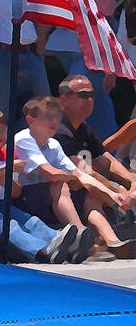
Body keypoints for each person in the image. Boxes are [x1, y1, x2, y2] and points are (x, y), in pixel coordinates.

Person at [0, 109, 87, 264]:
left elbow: (15, 192)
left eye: (4, 129)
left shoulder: (8, 154)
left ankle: (64, 242)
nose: (1, 134)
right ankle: (44, 250)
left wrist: (1, 178)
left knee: (30, 220)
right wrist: (6, 170)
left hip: (0, 202)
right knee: (6, 223)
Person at [13, 96, 132, 260]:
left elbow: (79, 174)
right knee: (59, 184)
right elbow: (51, 173)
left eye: (57, 116)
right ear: (30, 120)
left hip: (48, 198)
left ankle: (111, 241)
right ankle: (81, 237)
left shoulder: (53, 144)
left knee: (89, 192)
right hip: (24, 198)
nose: (54, 121)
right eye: (48, 116)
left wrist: (111, 194)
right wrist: (74, 177)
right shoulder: (23, 139)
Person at [43, 0, 121, 139]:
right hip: (87, 49)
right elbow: (100, 18)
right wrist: (108, 66)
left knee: (85, 102)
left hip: (61, 42)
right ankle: (103, 154)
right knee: (93, 104)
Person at [54, 75, 136, 256]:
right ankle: (113, 239)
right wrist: (117, 190)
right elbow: (83, 170)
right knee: (90, 191)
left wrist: (131, 180)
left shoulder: (83, 129)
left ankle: (113, 241)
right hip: (55, 194)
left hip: (84, 189)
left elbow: (107, 161)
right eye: (83, 95)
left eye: (92, 95)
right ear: (64, 99)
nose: (89, 100)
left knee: (96, 191)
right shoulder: (58, 129)